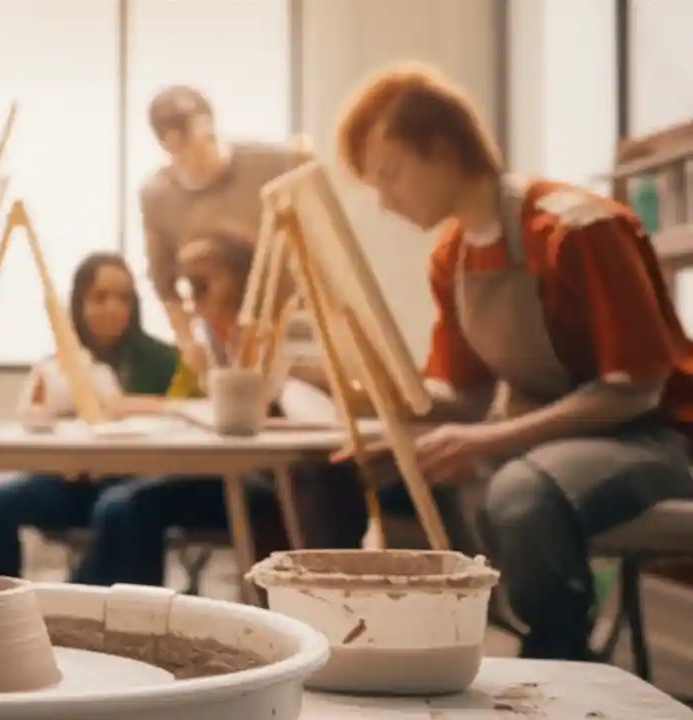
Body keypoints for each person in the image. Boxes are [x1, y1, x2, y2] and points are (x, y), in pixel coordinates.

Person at [332, 61, 693, 660]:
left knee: (521, 494)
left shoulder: (576, 229)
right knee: (362, 467)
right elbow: (464, 397)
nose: (385, 201)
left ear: (443, 149)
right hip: (545, 437)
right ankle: (380, 650)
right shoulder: (452, 257)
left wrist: (489, 440)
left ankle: (562, 662)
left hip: (654, 435)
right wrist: (365, 400)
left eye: (391, 175)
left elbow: (636, 388)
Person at [71, 234, 288, 588]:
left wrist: (163, 403)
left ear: (241, 285)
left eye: (204, 286)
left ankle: (125, 623)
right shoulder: (206, 343)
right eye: (188, 288)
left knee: (121, 505)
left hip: (251, 478)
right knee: (116, 505)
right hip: (199, 471)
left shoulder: (259, 340)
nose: (192, 300)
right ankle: (87, 612)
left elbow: (232, 414)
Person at [0, 253, 178, 578]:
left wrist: (126, 406)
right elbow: (33, 421)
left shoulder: (163, 359)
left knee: (119, 505)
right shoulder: (56, 364)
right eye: (100, 297)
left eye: (123, 298)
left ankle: (82, 598)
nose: (113, 307)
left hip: (132, 482)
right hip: (68, 482)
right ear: (78, 303)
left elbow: (183, 412)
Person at [139, 85, 308, 379]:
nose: (193, 151)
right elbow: (164, 283)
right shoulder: (158, 196)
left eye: (197, 137)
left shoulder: (271, 164)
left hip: (289, 320)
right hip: (224, 335)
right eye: (177, 144)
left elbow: (309, 164)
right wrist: (188, 342)